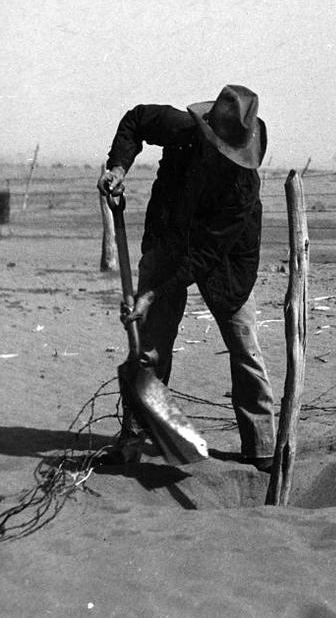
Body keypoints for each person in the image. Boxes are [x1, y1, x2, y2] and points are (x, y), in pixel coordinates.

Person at [98, 84, 275, 470]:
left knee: (245, 348)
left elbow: (206, 253)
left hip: (226, 257)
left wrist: (155, 293)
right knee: (149, 348)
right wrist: (117, 166)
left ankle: (261, 448)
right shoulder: (180, 129)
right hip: (169, 239)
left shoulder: (243, 187)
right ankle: (136, 434)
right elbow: (136, 119)